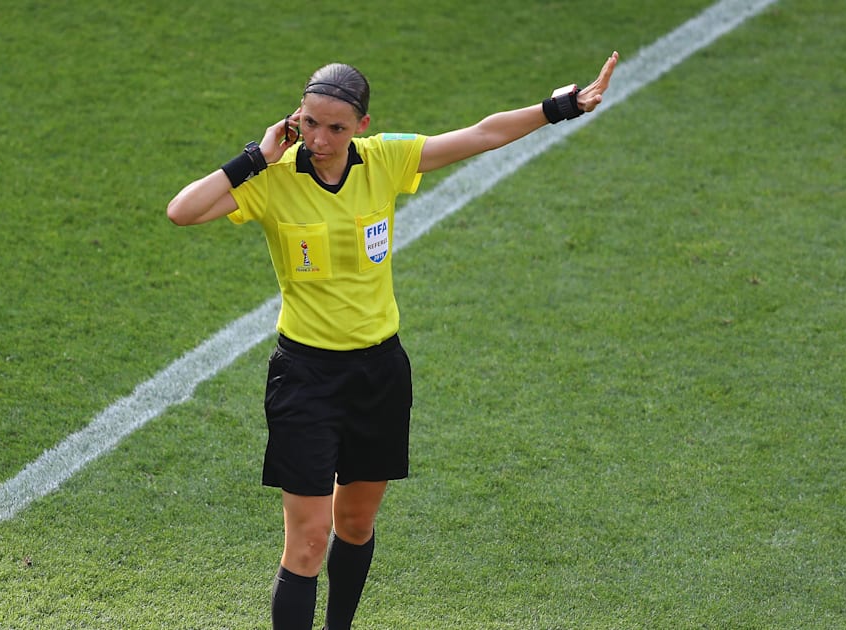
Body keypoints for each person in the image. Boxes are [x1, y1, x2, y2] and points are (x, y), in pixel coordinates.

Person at [166, 52, 618, 630]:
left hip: (378, 374)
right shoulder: (270, 181)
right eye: (309, 123)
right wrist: (257, 155)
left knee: (354, 526)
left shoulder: (385, 161)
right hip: (304, 378)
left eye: (336, 127)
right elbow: (183, 212)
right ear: (294, 120)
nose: (320, 139)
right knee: (306, 544)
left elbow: (480, 134)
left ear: (363, 127)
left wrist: (560, 107)